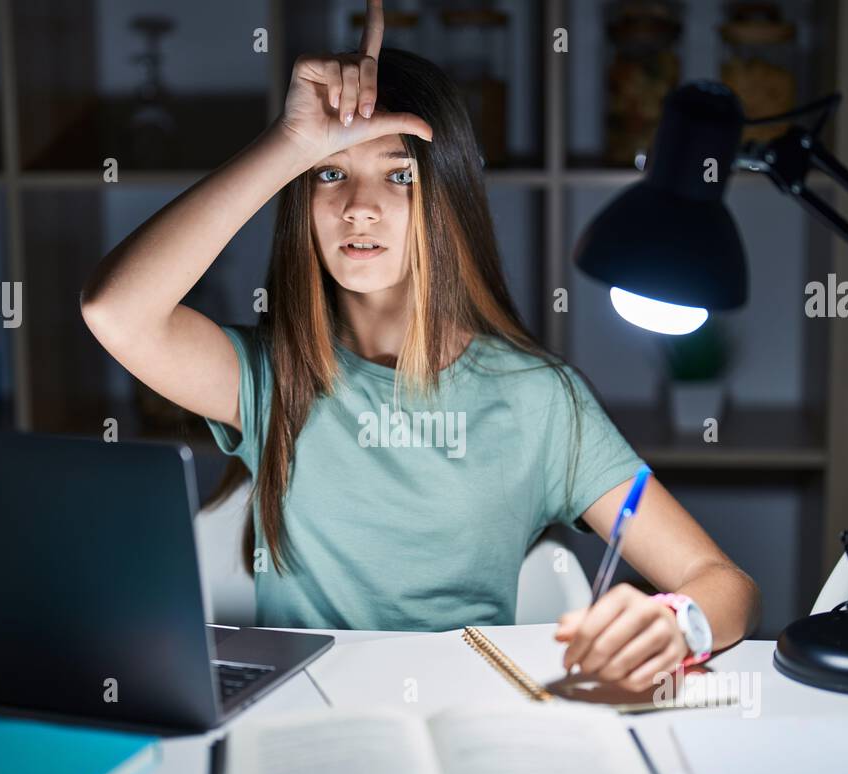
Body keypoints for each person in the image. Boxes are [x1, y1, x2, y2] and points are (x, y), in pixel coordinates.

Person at [81, 0, 760, 693]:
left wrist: (679, 623)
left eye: (398, 174)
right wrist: (289, 143)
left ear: (447, 197)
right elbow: (115, 310)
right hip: (301, 727)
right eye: (329, 172)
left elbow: (723, 583)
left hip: (470, 730)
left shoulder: (540, 401)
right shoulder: (271, 375)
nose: (359, 206)